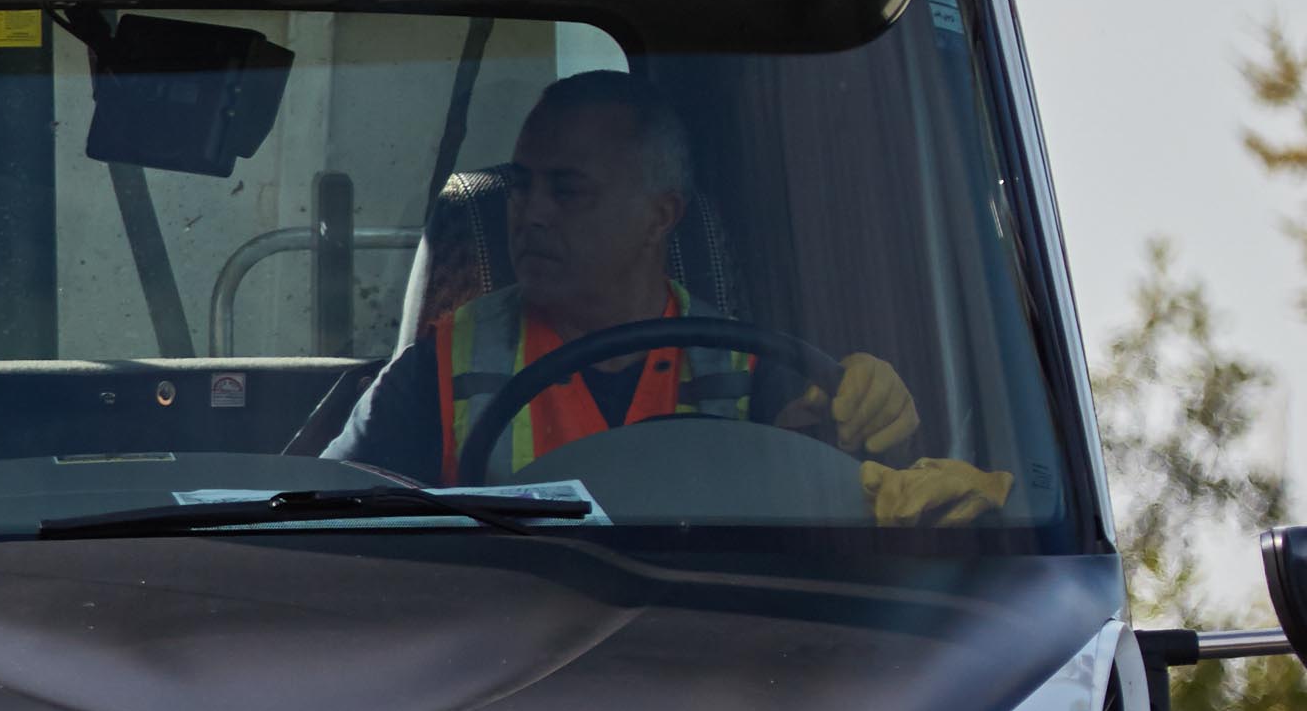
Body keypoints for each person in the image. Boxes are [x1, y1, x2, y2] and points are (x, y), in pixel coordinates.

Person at [369, 71, 1006, 523]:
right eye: (522, 186)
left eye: (567, 191)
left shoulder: (758, 375)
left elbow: (834, 523)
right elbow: (332, 513)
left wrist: (877, 442)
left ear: (659, 216)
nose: (531, 214)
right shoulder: (442, 362)